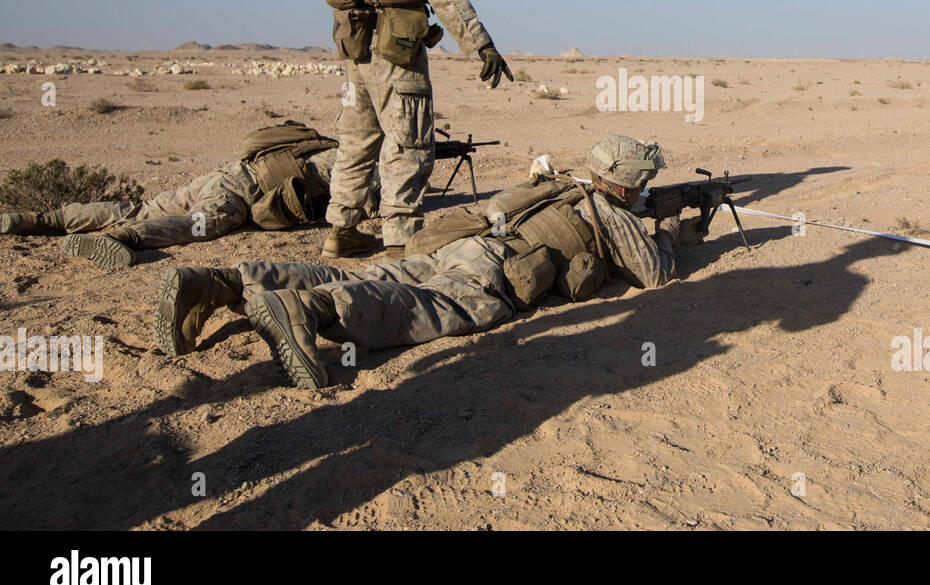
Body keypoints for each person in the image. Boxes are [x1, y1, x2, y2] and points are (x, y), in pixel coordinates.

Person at [153, 135, 704, 387]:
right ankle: (310, 310)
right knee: (424, 306)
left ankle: (221, 282)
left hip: (452, 241)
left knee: (368, 273)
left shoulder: (560, 181)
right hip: (490, 271)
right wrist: (674, 232)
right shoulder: (611, 213)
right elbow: (656, 276)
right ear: (632, 185)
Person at [322, 0, 512, 261]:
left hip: (355, 47)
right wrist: (480, 44)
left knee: (356, 141)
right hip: (395, 51)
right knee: (408, 142)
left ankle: (341, 229)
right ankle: (400, 242)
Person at [0, 122, 341, 279]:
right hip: (238, 191)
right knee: (200, 225)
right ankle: (120, 238)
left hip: (221, 176)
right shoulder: (346, 160)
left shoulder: (322, 144)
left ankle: (42, 220)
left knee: (140, 208)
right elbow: (355, 194)